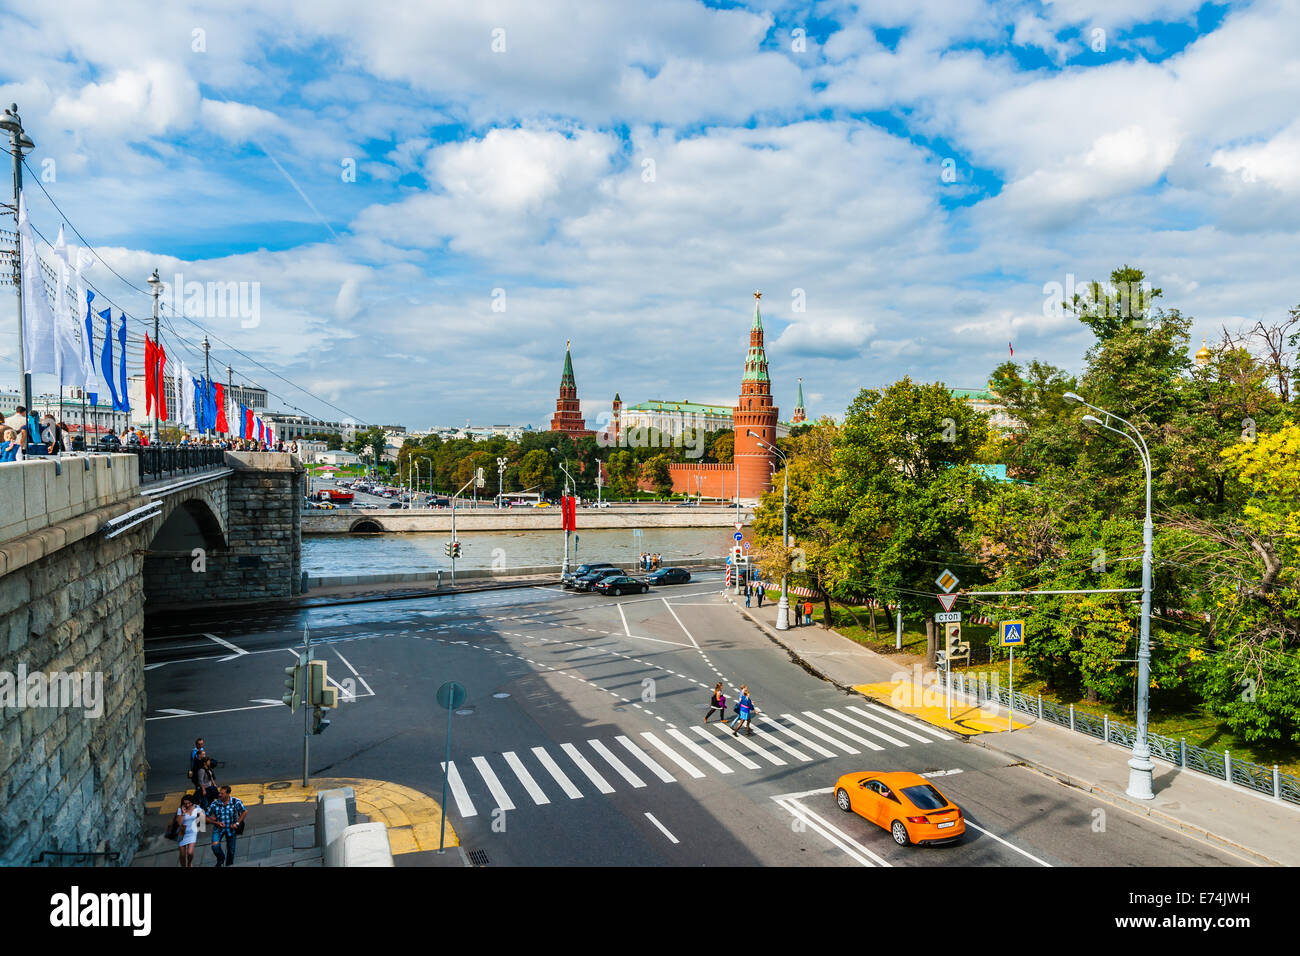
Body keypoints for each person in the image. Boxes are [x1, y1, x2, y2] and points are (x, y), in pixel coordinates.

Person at [205, 786, 247, 867]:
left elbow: (244, 811)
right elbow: (205, 817)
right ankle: (221, 859)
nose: (219, 795)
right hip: (218, 829)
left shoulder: (235, 801)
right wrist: (215, 822)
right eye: (219, 793)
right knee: (215, 846)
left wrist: (237, 823)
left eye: (222, 793)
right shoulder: (215, 803)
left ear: (228, 794)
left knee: (231, 850)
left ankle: (229, 865)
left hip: (231, 829)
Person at [174, 794, 203, 867]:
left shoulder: (196, 807)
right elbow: (179, 823)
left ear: (192, 802)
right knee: (182, 855)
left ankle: (189, 863)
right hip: (182, 833)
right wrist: (183, 813)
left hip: (192, 832)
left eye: (189, 803)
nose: (187, 805)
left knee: (190, 853)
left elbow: (202, 817)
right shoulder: (180, 810)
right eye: (185, 803)